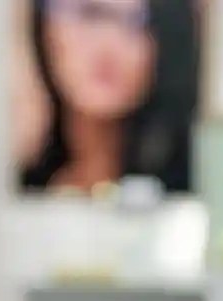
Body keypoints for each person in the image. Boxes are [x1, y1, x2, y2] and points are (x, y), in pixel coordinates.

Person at [18, 0, 199, 193]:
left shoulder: (194, 187)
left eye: (135, 22)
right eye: (89, 13)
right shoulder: (12, 178)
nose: (108, 46)